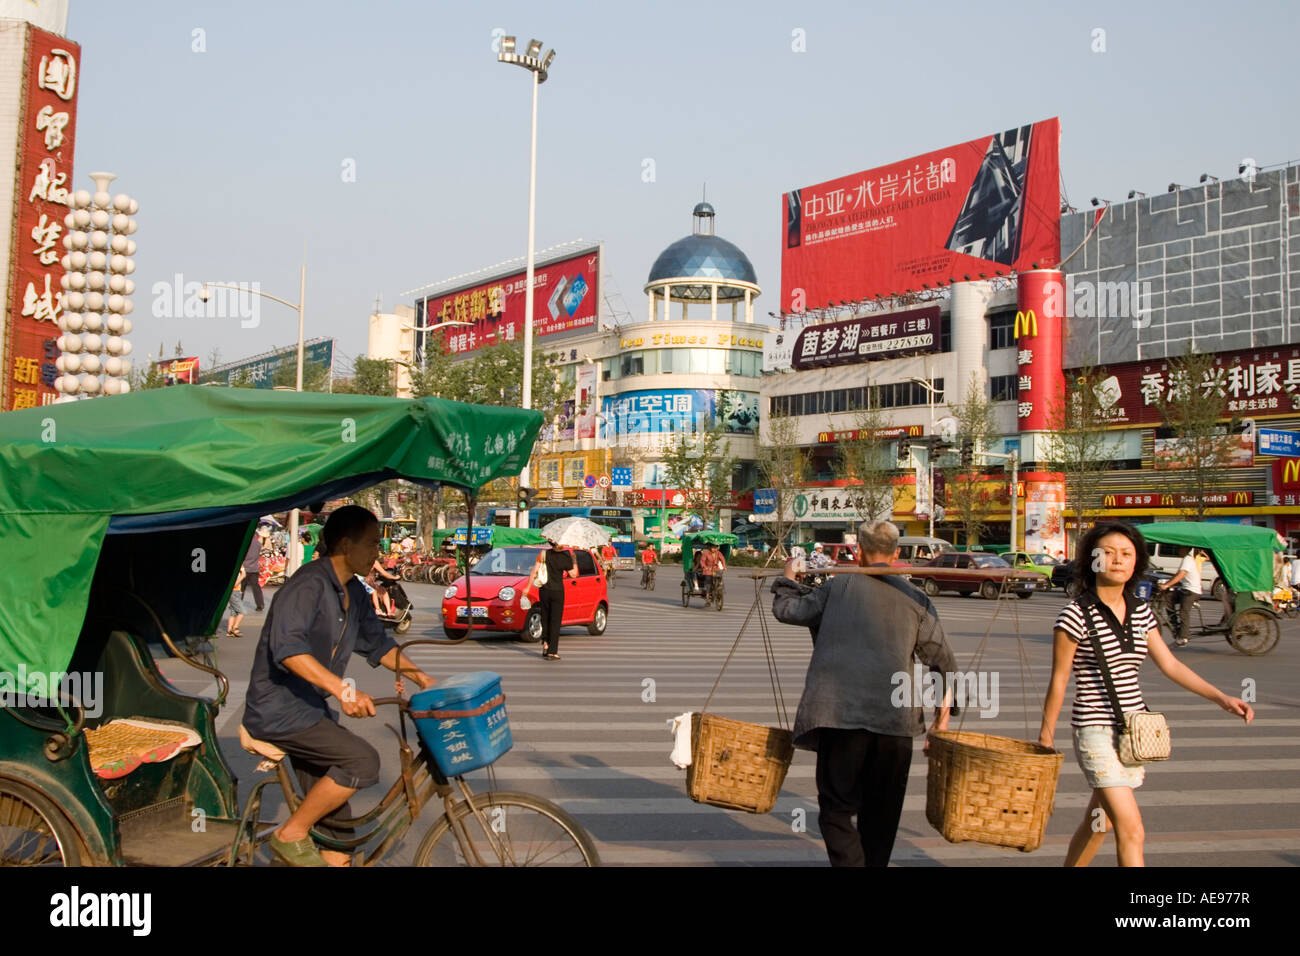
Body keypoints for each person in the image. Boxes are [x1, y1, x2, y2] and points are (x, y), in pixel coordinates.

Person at [1040, 521, 1253, 868]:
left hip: (1134, 733)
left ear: (1136, 562)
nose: (1118, 560)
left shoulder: (1141, 612)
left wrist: (1222, 698)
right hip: (1096, 733)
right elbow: (1060, 679)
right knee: (1132, 829)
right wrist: (1046, 737)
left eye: (1126, 554)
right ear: (1092, 561)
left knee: (1099, 823)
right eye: (1107, 553)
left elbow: (1170, 665)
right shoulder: (1075, 615)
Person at [242, 505, 437, 867]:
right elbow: (289, 652)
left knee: (339, 832)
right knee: (363, 761)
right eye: (372, 544)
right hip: (279, 710)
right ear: (346, 544)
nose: (378, 553)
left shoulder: (356, 593)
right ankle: (290, 834)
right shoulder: (308, 585)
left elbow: (378, 645)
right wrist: (343, 690)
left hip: (311, 711)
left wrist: (420, 677)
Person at [771, 520, 957, 867]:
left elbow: (788, 610)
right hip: (894, 724)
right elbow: (943, 663)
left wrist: (788, 578)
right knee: (881, 818)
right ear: (897, 553)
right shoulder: (916, 599)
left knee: (836, 812)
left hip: (840, 720)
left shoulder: (835, 588)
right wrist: (940, 722)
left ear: (858, 551)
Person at [531, 541, 577, 661]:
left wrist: (527, 588)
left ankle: (546, 644)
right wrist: (574, 559)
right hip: (557, 592)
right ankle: (552, 652)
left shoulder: (544, 553)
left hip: (544, 590)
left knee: (545, 618)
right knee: (555, 621)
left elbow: (535, 570)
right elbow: (574, 574)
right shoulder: (566, 556)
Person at [1157, 547, 1203, 646]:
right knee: (1168, 597)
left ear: (1185, 549)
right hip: (1185, 589)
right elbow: (1177, 575)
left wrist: (1167, 585)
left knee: (1184, 612)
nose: (1178, 550)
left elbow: (1181, 575)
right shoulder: (1186, 559)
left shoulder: (1188, 559)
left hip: (1192, 591)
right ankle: (1174, 625)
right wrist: (1168, 583)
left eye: (1180, 548)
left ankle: (1184, 637)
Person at [240, 530, 266, 612]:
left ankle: (238, 603)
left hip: (245, 568)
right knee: (256, 587)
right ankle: (260, 605)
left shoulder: (245, 543)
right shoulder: (258, 544)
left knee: (241, 587)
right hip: (254, 568)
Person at [226, 567, 246, 638]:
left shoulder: (240, 567)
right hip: (234, 592)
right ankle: (235, 627)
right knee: (242, 612)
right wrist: (243, 576)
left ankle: (229, 630)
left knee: (233, 612)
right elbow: (233, 584)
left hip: (236, 592)